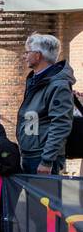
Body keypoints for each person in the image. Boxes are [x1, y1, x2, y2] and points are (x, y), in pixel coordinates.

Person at [16, 33, 76, 175]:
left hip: (42, 158)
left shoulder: (58, 85)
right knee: (33, 198)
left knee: (44, 197)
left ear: (38, 55)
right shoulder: (36, 80)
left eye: (27, 52)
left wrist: (47, 160)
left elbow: (61, 123)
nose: (24, 56)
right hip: (31, 154)